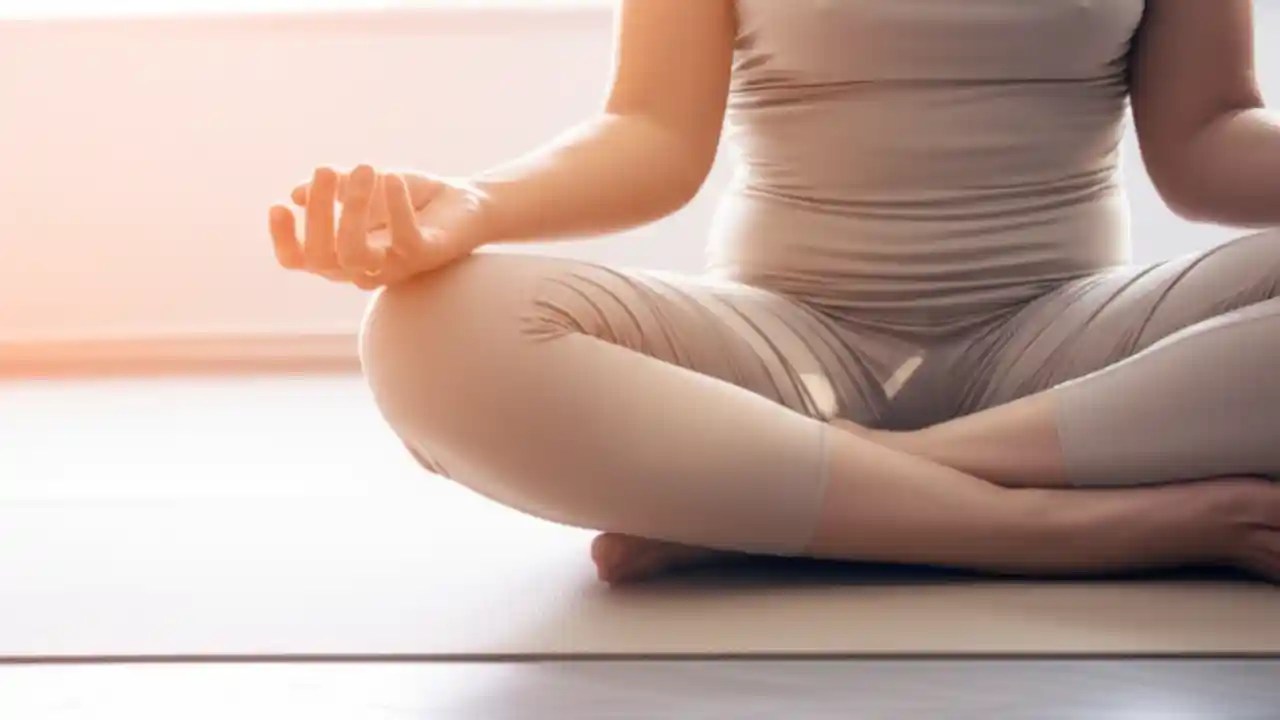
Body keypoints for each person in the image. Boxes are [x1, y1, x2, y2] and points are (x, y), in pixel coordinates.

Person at [268, 1, 1280, 585]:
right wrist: (477, 204)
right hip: (780, 365)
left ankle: (774, 501)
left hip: (1071, 356)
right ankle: (1049, 529)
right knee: (427, 331)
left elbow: (1203, 141)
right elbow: (652, 134)